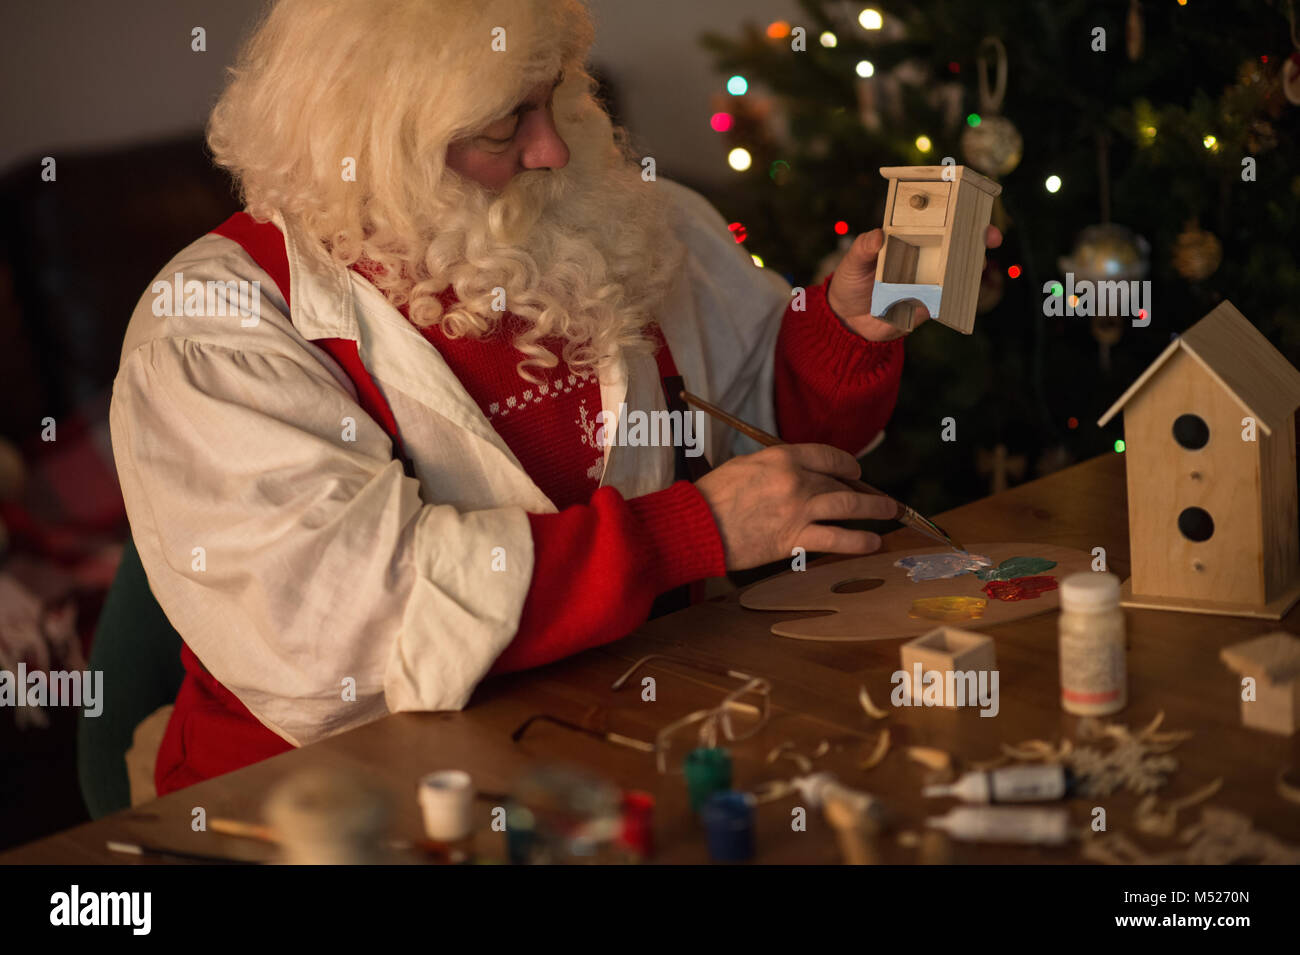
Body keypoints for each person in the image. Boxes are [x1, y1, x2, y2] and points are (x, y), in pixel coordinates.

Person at [109, 0, 1000, 795]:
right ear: (384, 145)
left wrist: (842, 330)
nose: (553, 150)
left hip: (627, 743)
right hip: (327, 802)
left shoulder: (618, 218)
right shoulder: (214, 328)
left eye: (551, 96)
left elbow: (752, 428)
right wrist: (686, 532)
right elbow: (356, 626)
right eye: (506, 126)